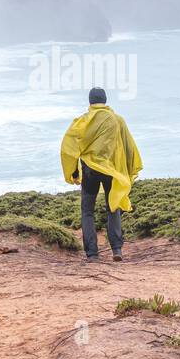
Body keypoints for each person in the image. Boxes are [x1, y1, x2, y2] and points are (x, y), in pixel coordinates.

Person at [59, 87, 143, 262]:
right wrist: (127, 169)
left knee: (87, 211)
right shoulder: (118, 120)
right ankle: (117, 250)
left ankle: (92, 254)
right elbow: (129, 146)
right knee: (113, 207)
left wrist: (73, 169)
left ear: (90, 102)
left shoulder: (83, 120)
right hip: (112, 170)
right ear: (105, 101)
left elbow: (69, 144)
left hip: (90, 170)